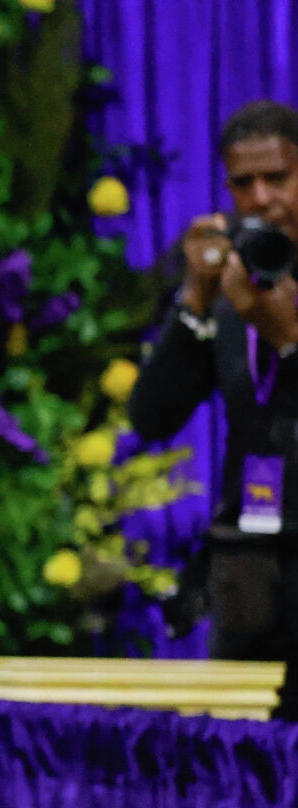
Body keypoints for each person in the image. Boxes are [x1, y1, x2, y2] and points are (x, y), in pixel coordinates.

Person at [128, 100, 298, 720]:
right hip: (247, 568)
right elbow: (151, 419)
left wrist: (288, 341)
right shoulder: (231, 285)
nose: (261, 199)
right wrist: (195, 303)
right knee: (242, 760)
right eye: (242, 183)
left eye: (277, 178)